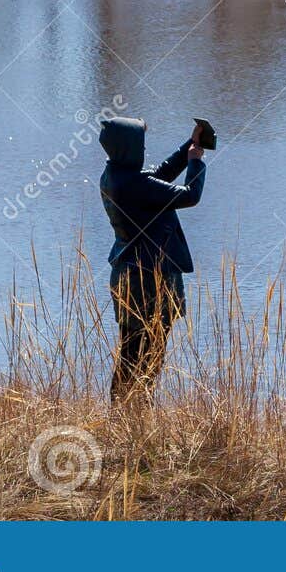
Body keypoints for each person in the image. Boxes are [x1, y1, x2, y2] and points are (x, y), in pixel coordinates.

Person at [97, 116, 206, 404]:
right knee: (151, 352)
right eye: (140, 145)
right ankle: (136, 412)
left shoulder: (114, 175)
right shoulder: (135, 184)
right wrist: (195, 163)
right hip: (149, 280)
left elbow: (158, 176)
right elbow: (190, 195)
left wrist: (190, 145)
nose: (144, 150)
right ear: (129, 147)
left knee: (130, 352)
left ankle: (121, 412)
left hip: (128, 273)